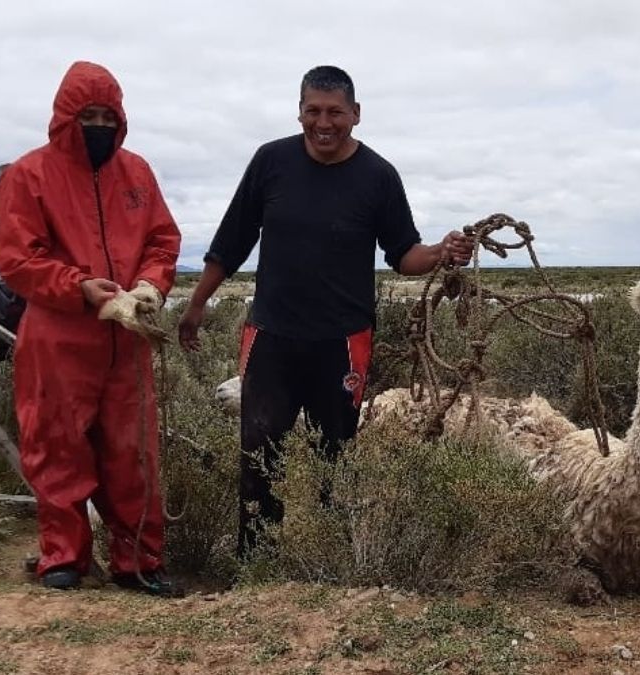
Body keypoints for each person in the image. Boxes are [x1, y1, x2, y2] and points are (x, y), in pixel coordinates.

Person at [177, 65, 475, 558]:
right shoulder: (270, 162)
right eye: (313, 111)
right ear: (299, 112)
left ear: (356, 115)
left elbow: (404, 256)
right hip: (271, 336)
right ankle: (257, 567)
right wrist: (196, 303)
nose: (324, 123)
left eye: (335, 112)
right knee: (258, 459)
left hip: (343, 343)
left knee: (335, 462)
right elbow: (231, 242)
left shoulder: (379, 176)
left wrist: (442, 252)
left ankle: (329, 567)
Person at [0, 61, 183, 597]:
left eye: (107, 115)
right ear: (64, 118)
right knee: (57, 446)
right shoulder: (28, 175)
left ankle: (138, 561)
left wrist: (149, 287)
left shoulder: (137, 173)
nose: (98, 125)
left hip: (128, 337)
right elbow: (17, 258)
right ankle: (64, 556)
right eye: (87, 115)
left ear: (120, 119)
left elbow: (162, 240)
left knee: (134, 452)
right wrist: (78, 288)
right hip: (58, 337)